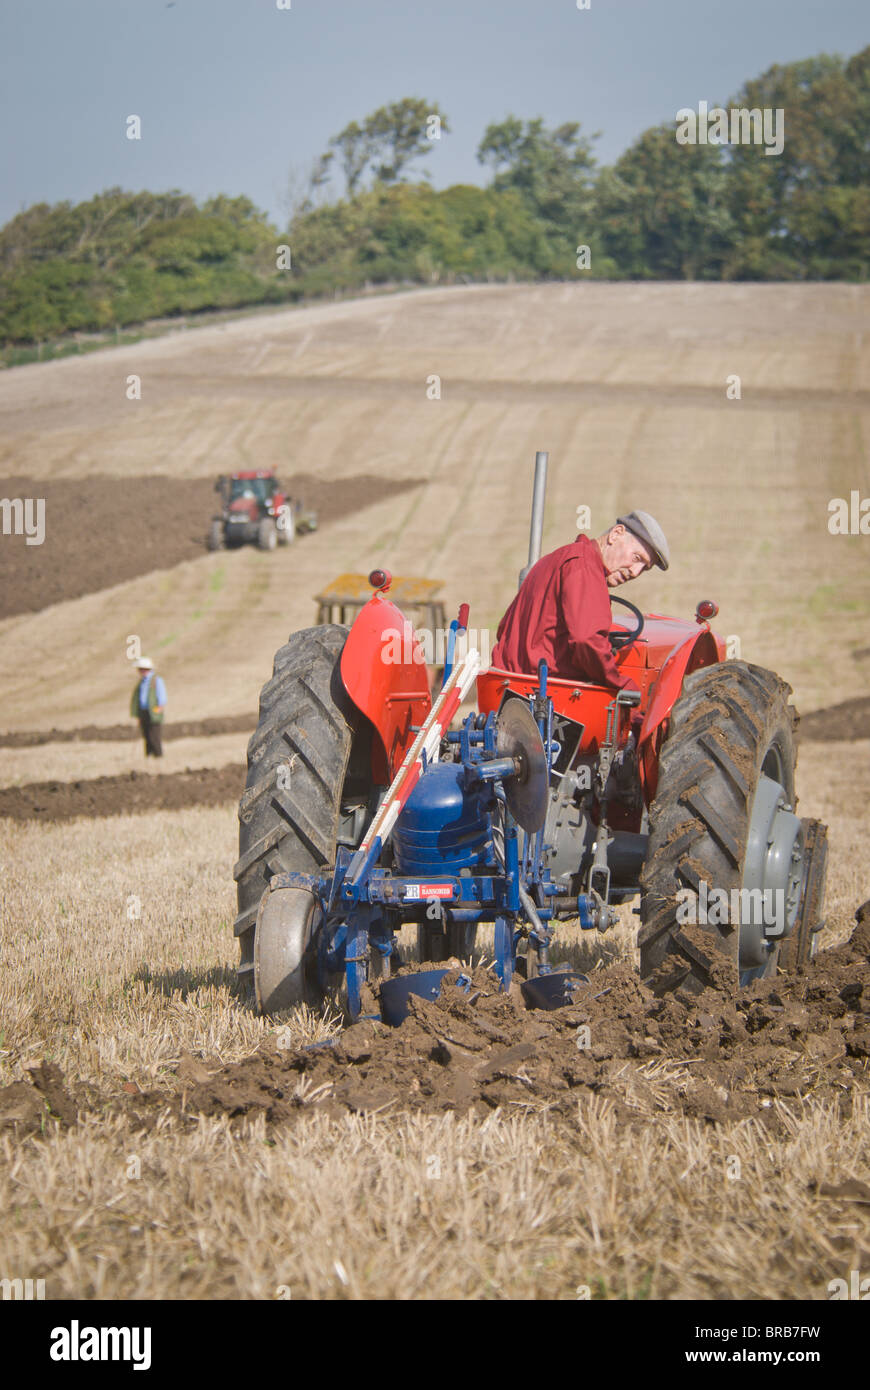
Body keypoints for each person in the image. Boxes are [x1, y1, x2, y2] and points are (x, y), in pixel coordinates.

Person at [491, 510, 670, 690]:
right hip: (543, 692)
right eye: (636, 558)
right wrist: (621, 685)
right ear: (616, 534)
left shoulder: (559, 558)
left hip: (506, 685)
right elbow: (586, 639)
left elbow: (503, 630)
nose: (635, 572)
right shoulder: (585, 566)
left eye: (644, 569)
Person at [130, 657, 166, 757]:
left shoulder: (156, 680)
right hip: (144, 711)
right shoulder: (142, 682)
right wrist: (139, 714)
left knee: (154, 736)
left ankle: (158, 756)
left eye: (141, 669)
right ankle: (149, 756)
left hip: (154, 711)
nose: (140, 671)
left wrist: (159, 708)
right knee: (146, 736)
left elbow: (162, 696)